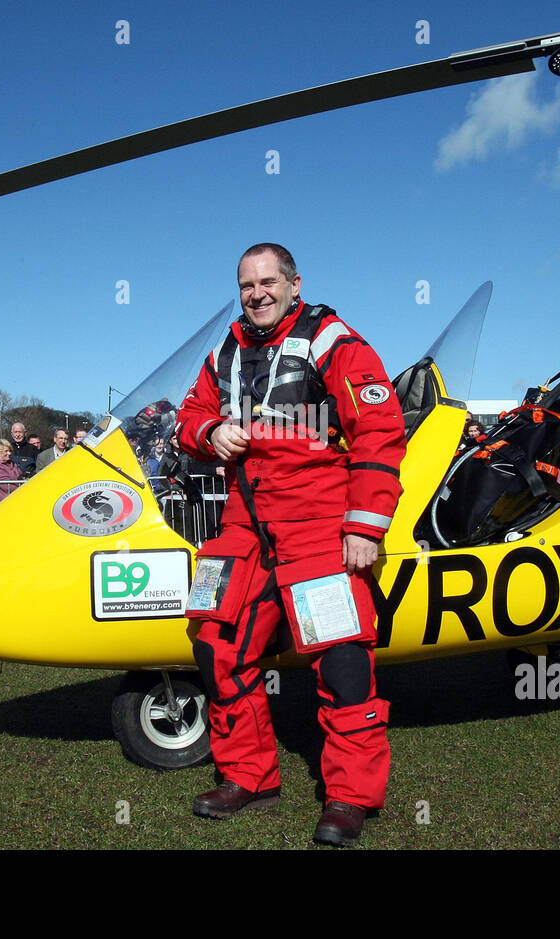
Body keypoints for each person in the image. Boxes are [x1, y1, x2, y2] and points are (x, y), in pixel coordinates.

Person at [175, 243, 405, 847]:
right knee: (214, 645)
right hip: (243, 525)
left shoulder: (335, 341)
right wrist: (209, 430)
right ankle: (248, 776)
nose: (257, 293)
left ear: (294, 284)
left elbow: (380, 432)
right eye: (247, 284)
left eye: (268, 281)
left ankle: (350, 796)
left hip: (320, 527)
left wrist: (363, 527)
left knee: (345, 665)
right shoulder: (224, 349)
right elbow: (188, 415)